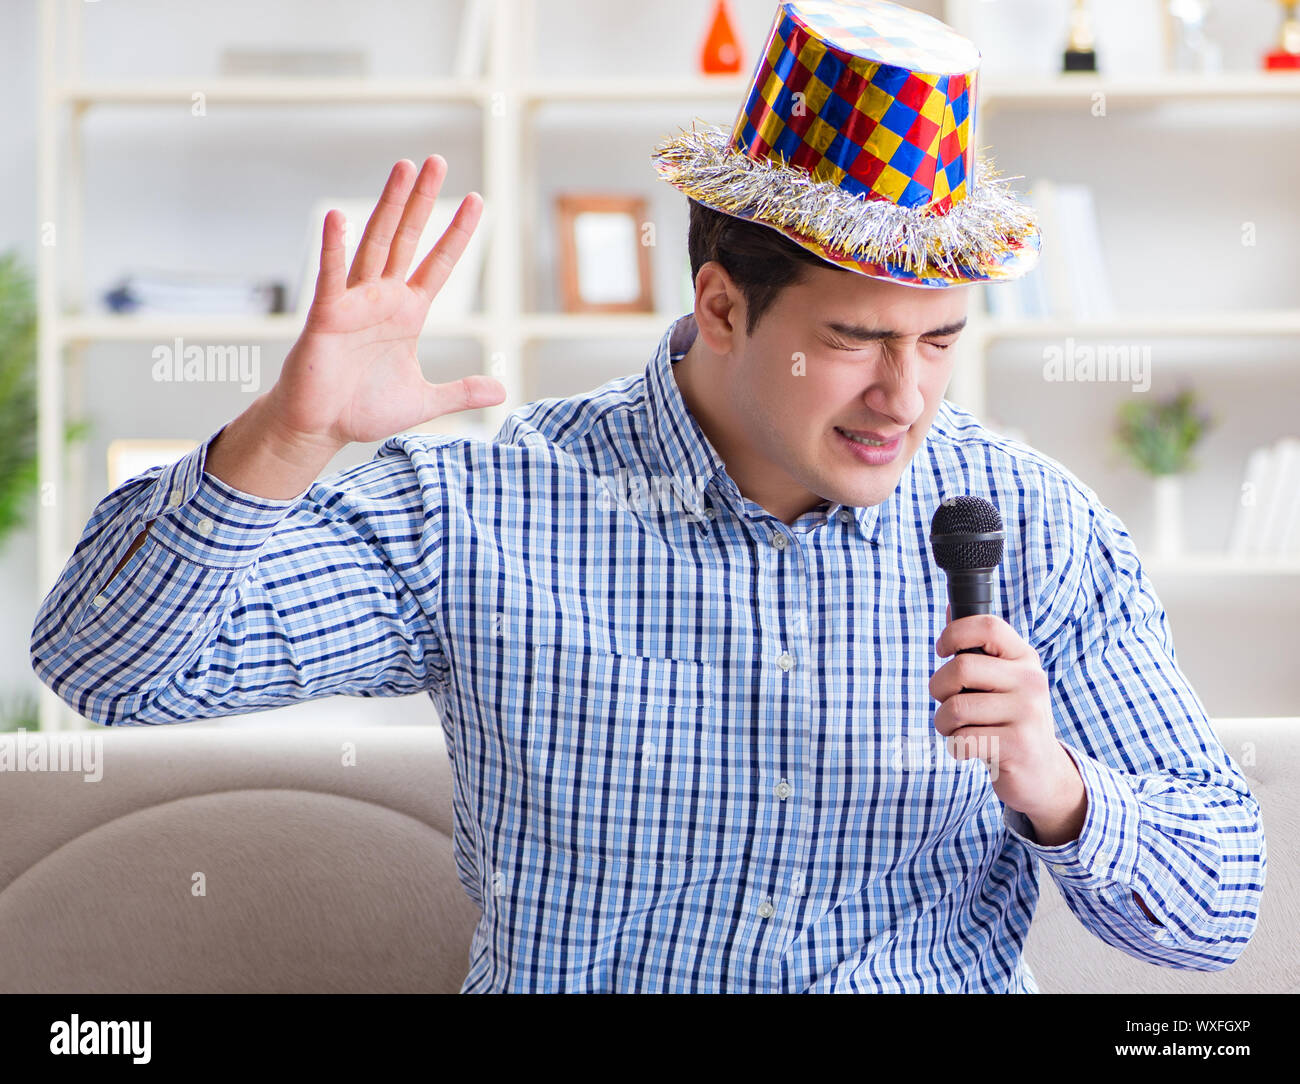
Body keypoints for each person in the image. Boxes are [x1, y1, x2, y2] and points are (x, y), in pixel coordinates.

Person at [31, 0, 1263, 993]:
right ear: (722, 304)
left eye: (938, 340)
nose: (906, 393)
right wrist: (287, 436)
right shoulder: (485, 506)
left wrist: (1059, 789)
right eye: (854, 338)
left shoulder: (1031, 527)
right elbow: (110, 667)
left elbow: (1216, 909)